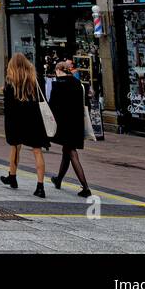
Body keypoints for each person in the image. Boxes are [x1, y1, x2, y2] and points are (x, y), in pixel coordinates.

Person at [0, 52, 50, 197]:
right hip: (34, 119)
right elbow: (43, 98)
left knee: (15, 147)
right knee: (37, 151)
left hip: (16, 119)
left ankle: (13, 177)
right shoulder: (35, 79)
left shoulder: (10, 81)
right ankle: (40, 187)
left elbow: (8, 106)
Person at [48, 60, 92, 198]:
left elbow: (52, 106)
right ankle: (58, 179)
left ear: (59, 70)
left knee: (71, 152)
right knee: (66, 151)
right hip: (76, 123)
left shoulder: (58, 85)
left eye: (56, 71)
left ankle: (85, 187)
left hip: (65, 124)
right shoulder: (78, 84)